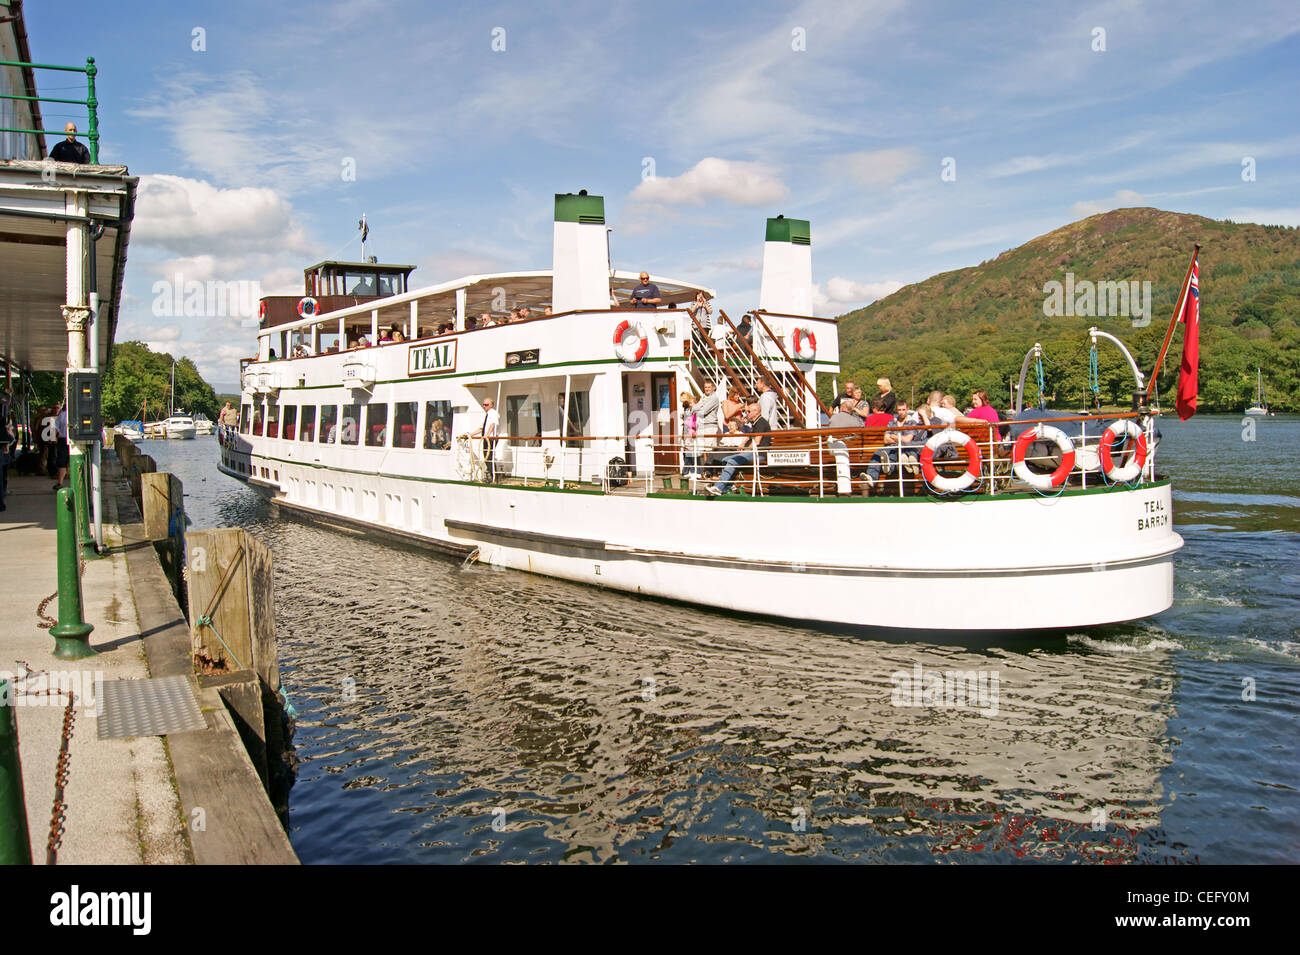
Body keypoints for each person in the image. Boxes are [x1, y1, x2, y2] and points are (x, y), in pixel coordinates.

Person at [707, 399, 771, 496]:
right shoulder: (755, 423)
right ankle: (728, 486)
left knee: (732, 461)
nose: (747, 413)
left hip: (760, 454)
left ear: (756, 412)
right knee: (725, 460)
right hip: (754, 452)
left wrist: (744, 451)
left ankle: (718, 488)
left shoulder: (761, 422)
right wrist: (743, 443)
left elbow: (756, 442)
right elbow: (750, 436)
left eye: (749, 411)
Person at [470, 398, 499, 482]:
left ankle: (495, 477)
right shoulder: (486, 414)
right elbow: (481, 428)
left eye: (486, 405)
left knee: (489, 457)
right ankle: (493, 475)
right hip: (487, 438)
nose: (484, 406)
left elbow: (493, 424)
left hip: (491, 439)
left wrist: (488, 435)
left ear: (491, 405)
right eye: (484, 404)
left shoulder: (493, 413)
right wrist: (471, 434)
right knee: (487, 457)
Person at [52, 401, 69, 491]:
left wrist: (54, 437)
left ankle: (60, 482)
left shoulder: (61, 415)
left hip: (63, 439)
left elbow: (55, 427)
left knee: (62, 460)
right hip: (71, 440)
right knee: (66, 460)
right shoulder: (71, 415)